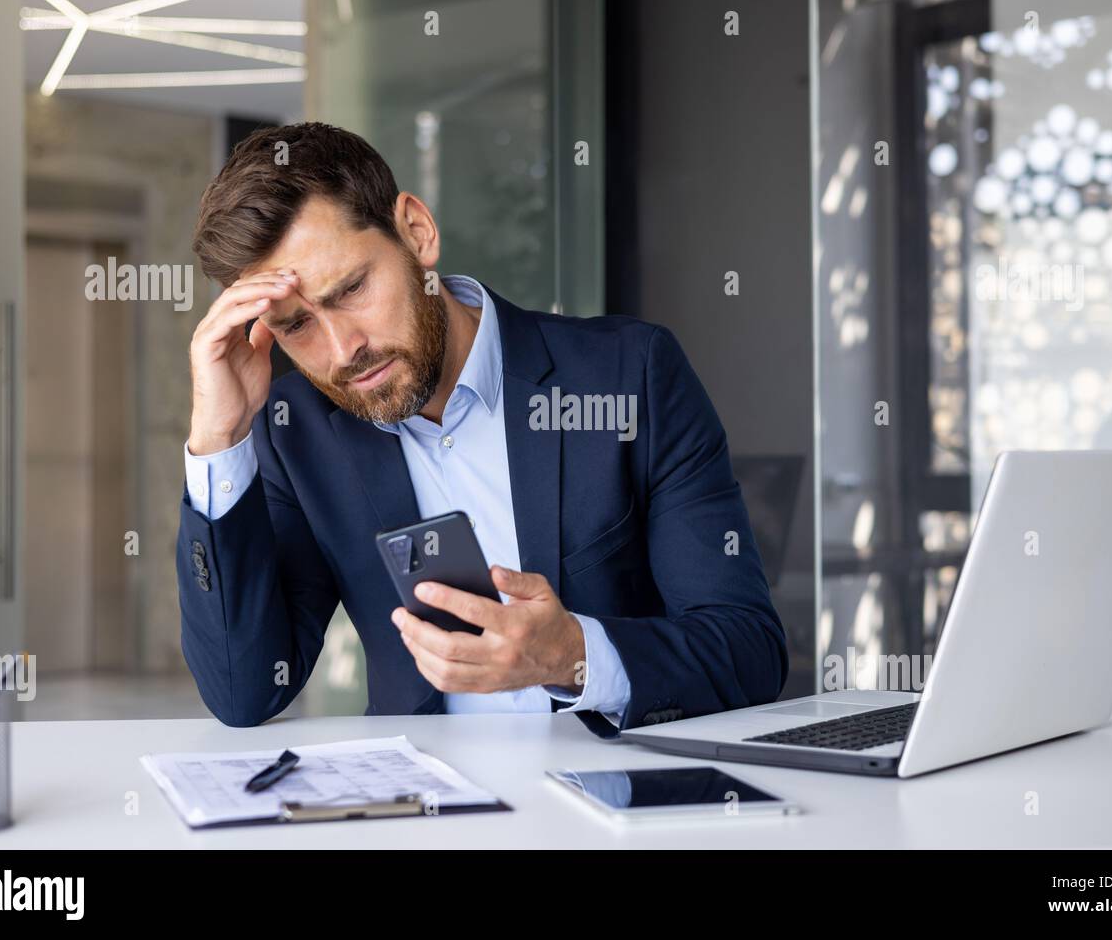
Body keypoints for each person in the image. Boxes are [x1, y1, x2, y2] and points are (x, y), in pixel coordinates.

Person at [179, 122, 786, 738]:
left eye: (353, 289)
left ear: (416, 232)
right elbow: (244, 690)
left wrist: (573, 655)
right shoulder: (294, 432)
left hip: (613, 810)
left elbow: (749, 652)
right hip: (422, 817)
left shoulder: (630, 376)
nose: (343, 351)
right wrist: (219, 439)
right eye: (295, 326)